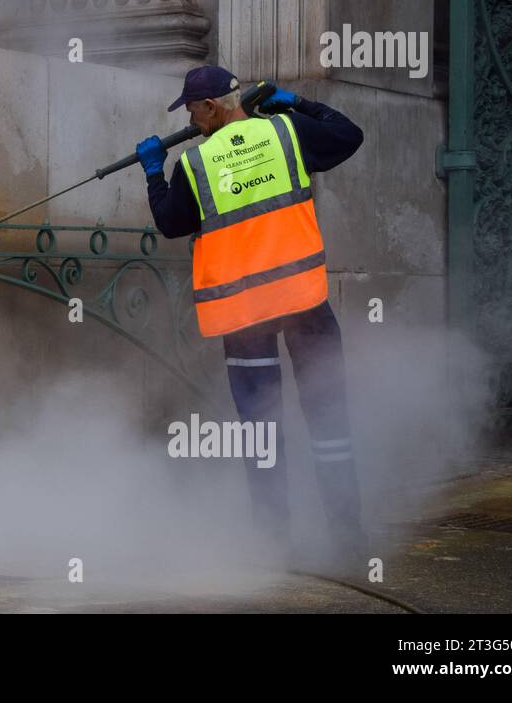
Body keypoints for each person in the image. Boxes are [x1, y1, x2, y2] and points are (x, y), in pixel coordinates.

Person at [137, 64, 366, 568]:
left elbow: (171, 223)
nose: (191, 121)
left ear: (213, 107)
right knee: (329, 418)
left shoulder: (194, 165)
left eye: (193, 111)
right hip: (304, 305)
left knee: (262, 431)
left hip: (245, 319)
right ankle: (349, 540)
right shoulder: (287, 133)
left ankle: (273, 544)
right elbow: (350, 135)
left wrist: (154, 172)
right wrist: (299, 103)